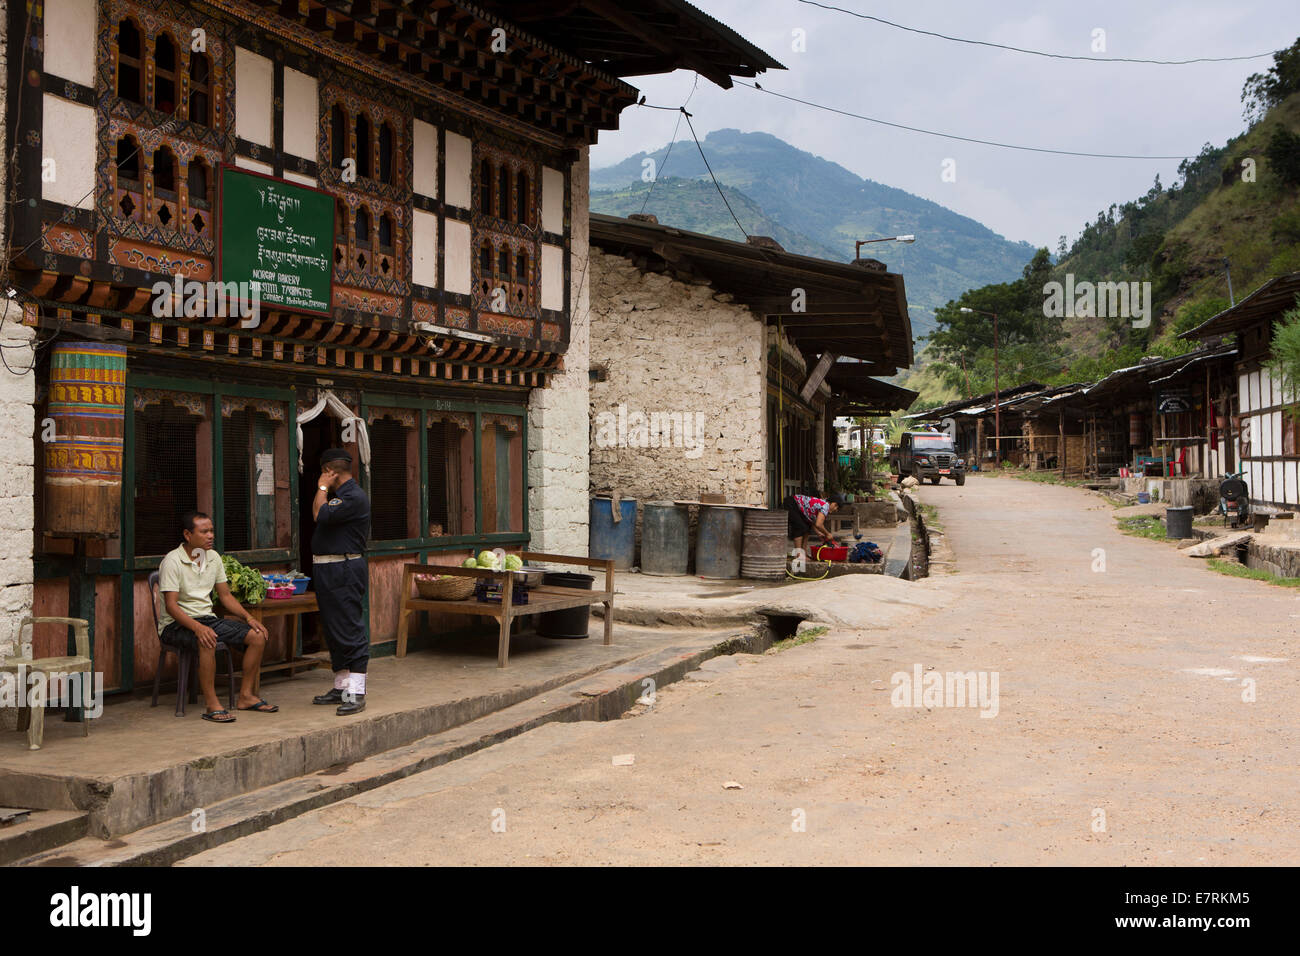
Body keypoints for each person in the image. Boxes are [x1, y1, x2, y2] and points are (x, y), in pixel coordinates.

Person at [157, 512, 274, 722]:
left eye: (211, 531)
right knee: (207, 639)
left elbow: (226, 596)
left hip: (207, 619)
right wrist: (197, 628)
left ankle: (246, 696)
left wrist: (249, 618)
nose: (210, 536)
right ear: (187, 534)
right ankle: (212, 705)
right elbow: (171, 606)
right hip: (176, 625)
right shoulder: (172, 561)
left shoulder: (213, 557)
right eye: (204, 532)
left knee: (257, 635)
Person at [311, 448, 371, 716]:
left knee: (350, 627)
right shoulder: (341, 498)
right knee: (334, 630)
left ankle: (357, 691)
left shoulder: (353, 497)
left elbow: (319, 514)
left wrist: (322, 487)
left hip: (344, 568)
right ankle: (342, 686)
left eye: (323, 473)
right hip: (328, 569)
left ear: (329, 471)